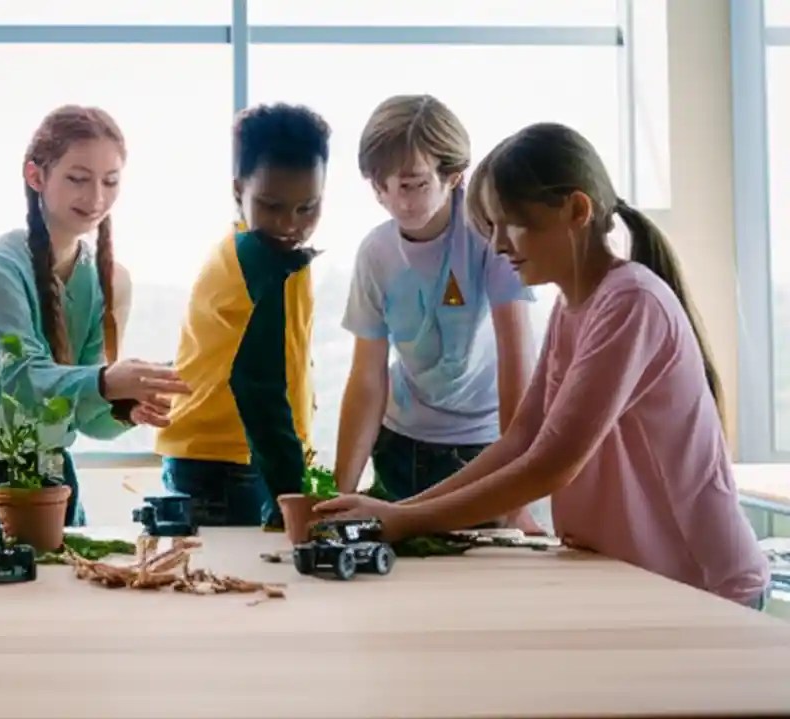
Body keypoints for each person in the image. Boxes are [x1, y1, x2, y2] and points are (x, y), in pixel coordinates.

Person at [315, 122, 771, 609]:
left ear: (576, 210)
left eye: (513, 224)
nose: (498, 245)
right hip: (639, 579)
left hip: (703, 583)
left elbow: (552, 463)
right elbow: (521, 438)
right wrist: (397, 512)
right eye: (490, 228)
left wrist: (405, 520)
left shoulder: (631, 301)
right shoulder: (572, 307)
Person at [0, 104, 189, 527]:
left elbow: (84, 417)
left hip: (55, 473)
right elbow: (24, 382)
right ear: (36, 176)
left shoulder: (102, 279)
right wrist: (106, 381)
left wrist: (125, 410)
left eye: (110, 182)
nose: (96, 199)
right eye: (77, 179)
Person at [333, 95, 540, 532]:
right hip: (401, 444)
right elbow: (368, 378)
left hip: (485, 447)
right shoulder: (376, 253)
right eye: (381, 185)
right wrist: (340, 494)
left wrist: (517, 492)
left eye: (413, 184)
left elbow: (517, 364)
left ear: (453, 175)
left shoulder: (488, 235)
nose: (395, 199)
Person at [153, 102, 331, 529]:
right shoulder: (253, 259)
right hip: (224, 469)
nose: (290, 224)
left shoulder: (274, 252)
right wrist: (294, 492)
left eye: (308, 208)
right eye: (271, 205)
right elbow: (260, 387)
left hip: (236, 461)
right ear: (238, 192)